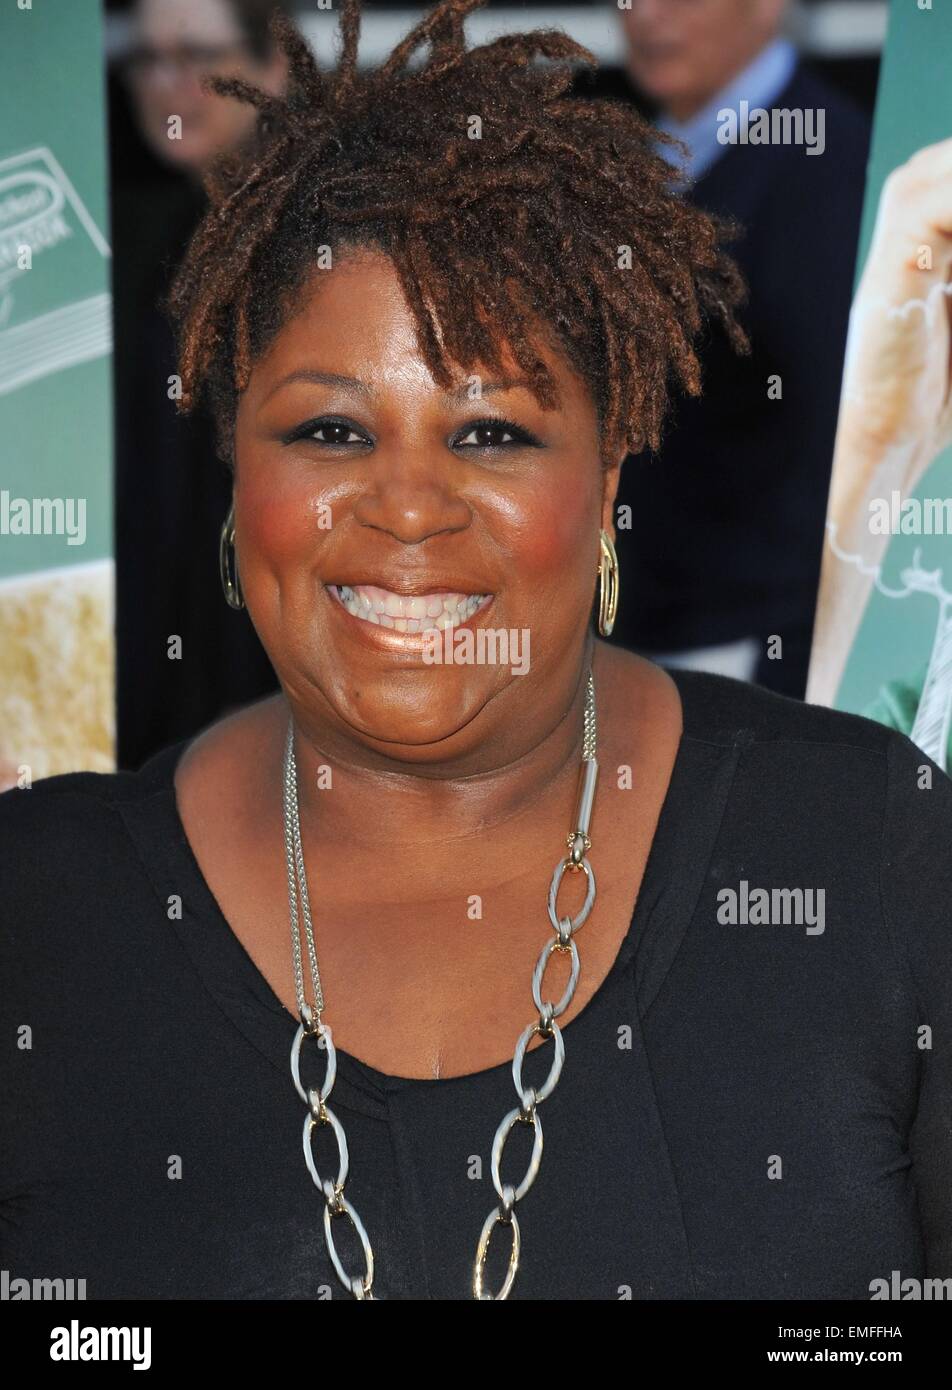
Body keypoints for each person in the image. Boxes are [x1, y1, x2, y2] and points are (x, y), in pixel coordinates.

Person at [1, 0, 949, 1301]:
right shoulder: (42, 908)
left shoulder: (870, 850)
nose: (407, 507)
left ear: (609, 471)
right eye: (330, 431)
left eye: (494, 430)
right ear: (234, 478)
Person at [601, 0, 870, 696]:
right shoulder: (623, 167)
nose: (645, 13)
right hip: (637, 640)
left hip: (753, 651)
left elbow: (838, 438)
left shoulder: (833, 172)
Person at [112, 0, 291, 771]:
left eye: (195, 53)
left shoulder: (334, 241)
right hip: (153, 713)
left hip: (280, 698)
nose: (167, 84)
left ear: (274, 62)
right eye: (148, 59)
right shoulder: (137, 243)